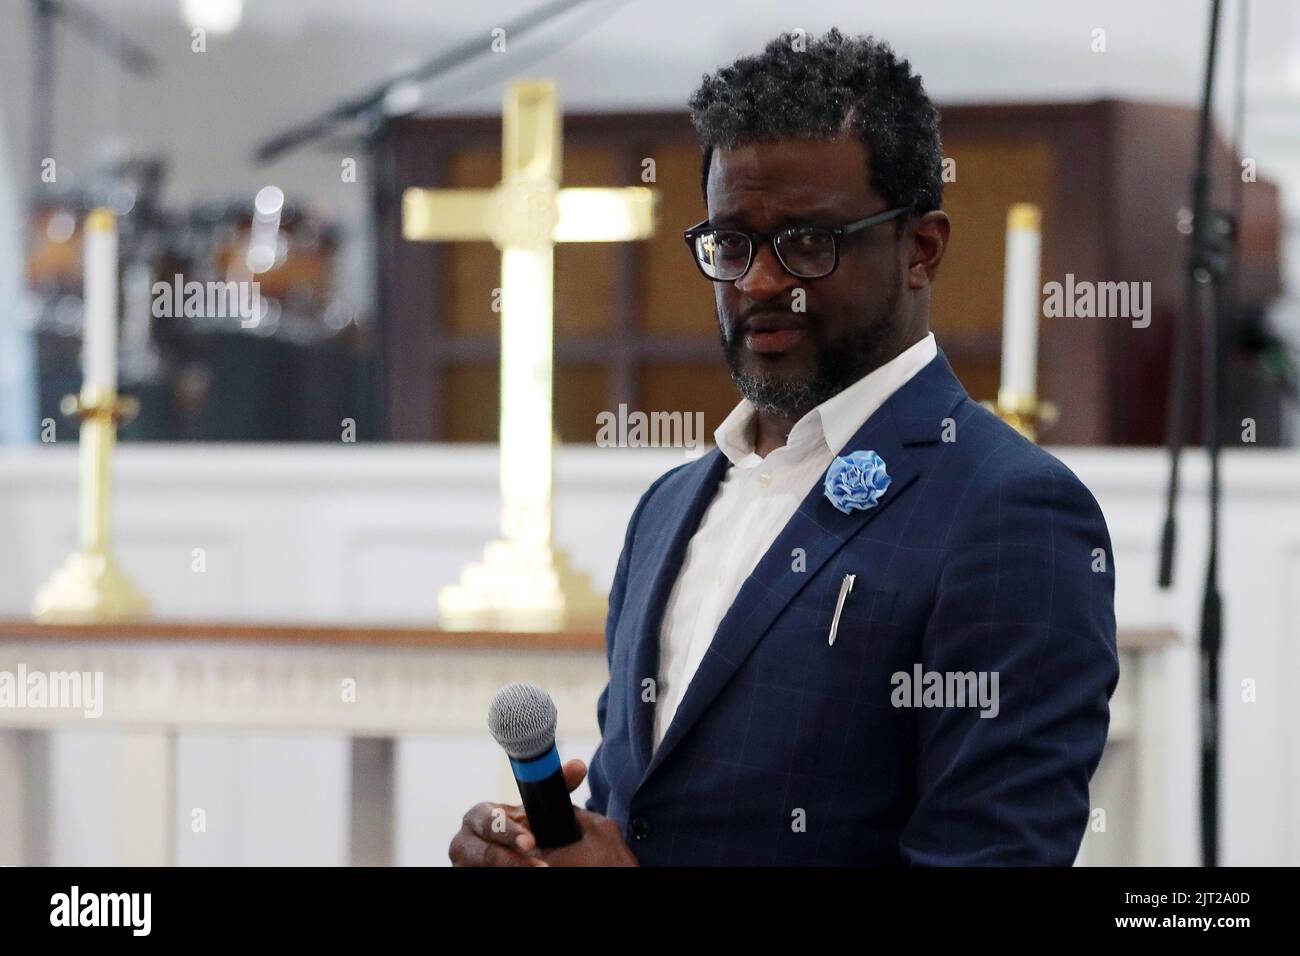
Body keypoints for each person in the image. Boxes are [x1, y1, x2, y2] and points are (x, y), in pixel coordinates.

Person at [450, 28, 1118, 867]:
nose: (760, 283)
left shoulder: (1009, 510)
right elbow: (645, 819)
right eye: (731, 242)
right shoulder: (668, 508)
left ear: (921, 248)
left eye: (808, 242)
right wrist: (550, 846)